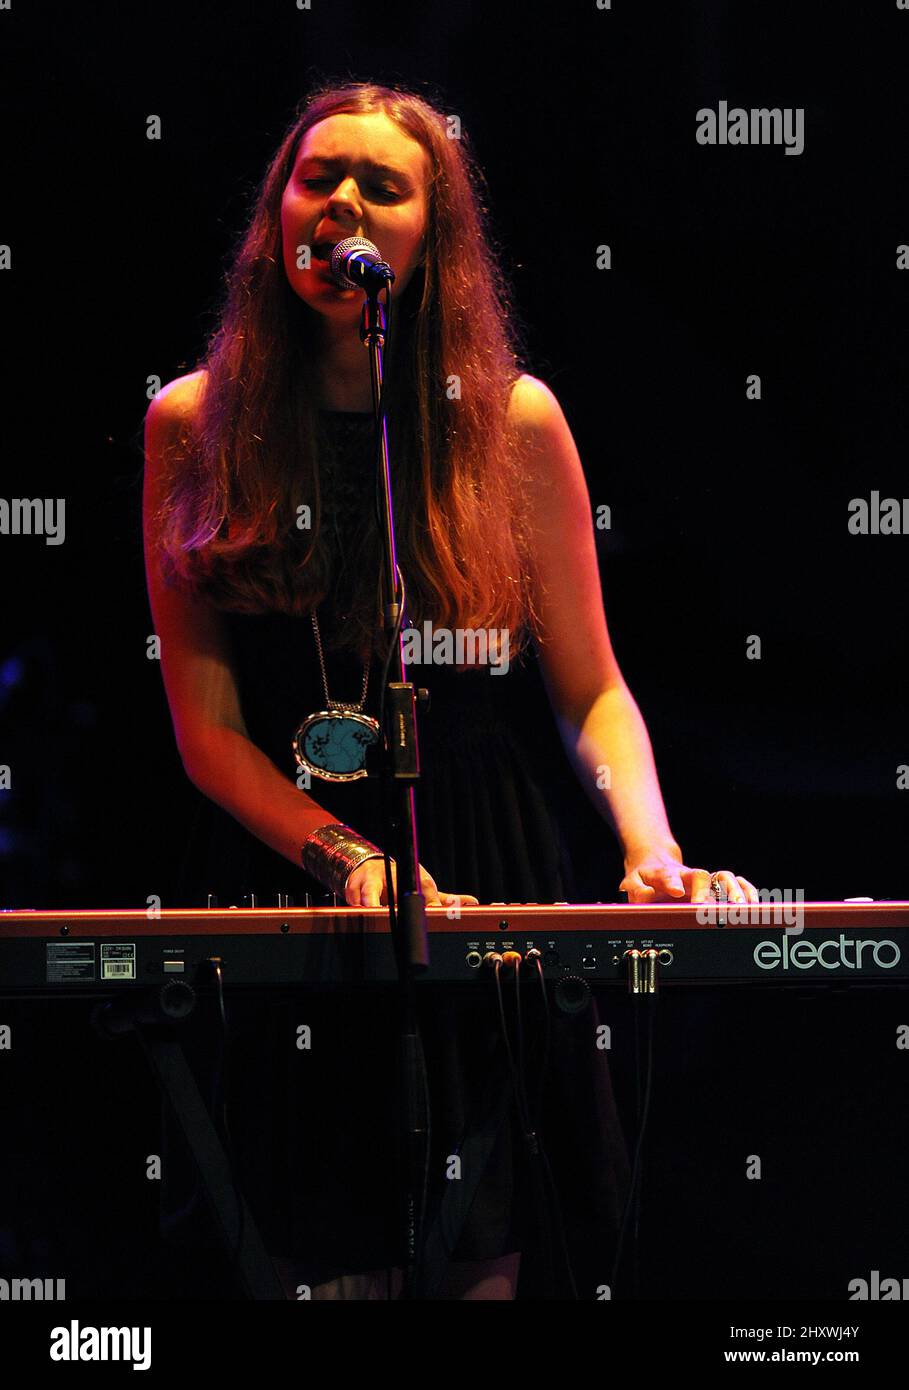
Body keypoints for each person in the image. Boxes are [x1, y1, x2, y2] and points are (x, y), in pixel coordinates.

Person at [142, 80, 759, 1300]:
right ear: (277, 212)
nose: (344, 208)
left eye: (383, 186)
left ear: (432, 232)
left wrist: (649, 844)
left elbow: (592, 689)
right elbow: (207, 732)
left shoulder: (513, 422)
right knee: (324, 1262)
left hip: (484, 862)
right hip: (300, 880)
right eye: (318, 180)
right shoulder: (191, 423)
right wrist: (343, 857)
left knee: (485, 1257)